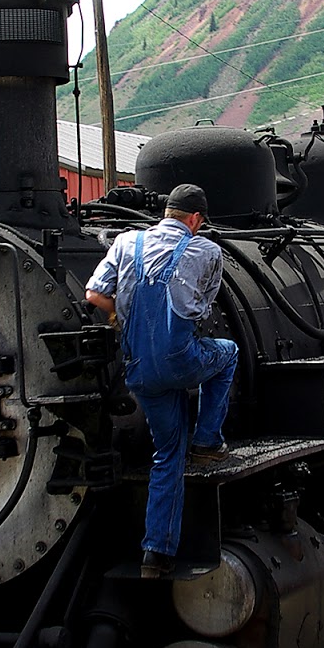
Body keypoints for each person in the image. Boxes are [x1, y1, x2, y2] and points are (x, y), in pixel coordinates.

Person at [86, 183, 239, 580]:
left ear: (166, 212)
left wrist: (120, 318)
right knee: (228, 353)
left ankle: (156, 553)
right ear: (195, 219)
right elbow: (202, 306)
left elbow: (94, 294)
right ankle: (207, 441)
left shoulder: (126, 242)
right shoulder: (206, 250)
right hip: (181, 360)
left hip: (139, 370)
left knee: (167, 454)